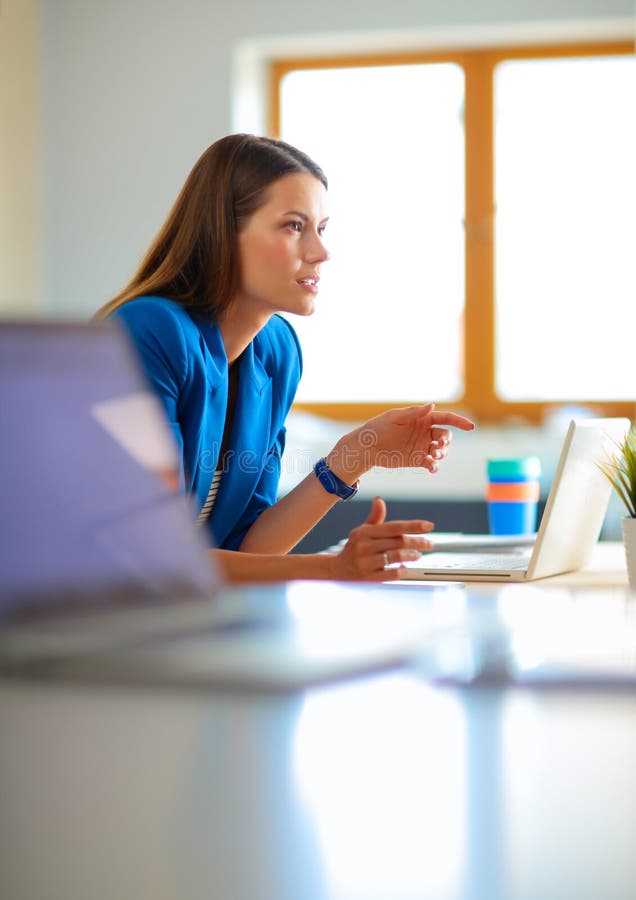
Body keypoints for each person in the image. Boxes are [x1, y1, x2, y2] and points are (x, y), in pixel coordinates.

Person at [95, 134, 474, 583]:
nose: (320, 251)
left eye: (321, 228)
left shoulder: (277, 351)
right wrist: (333, 568)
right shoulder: (148, 331)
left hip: (177, 619)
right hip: (80, 616)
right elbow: (150, 553)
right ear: (224, 233)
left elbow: (248, 546)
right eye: (294, 226)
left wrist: (354, 455)